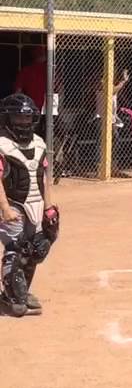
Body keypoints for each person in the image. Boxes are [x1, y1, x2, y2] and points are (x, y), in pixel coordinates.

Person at [0, 94, 59, 317]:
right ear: (8, 119)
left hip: (35, 203)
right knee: (16, 247)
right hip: (12, 204)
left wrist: (49, 207)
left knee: (37, 247)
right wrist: (5, 209)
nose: (23, 123)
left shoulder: (39, 143)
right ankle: (11, 297)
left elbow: (44, 178)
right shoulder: (3, 145)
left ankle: (20, 292)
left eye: (27, 119)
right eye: (18, 118)